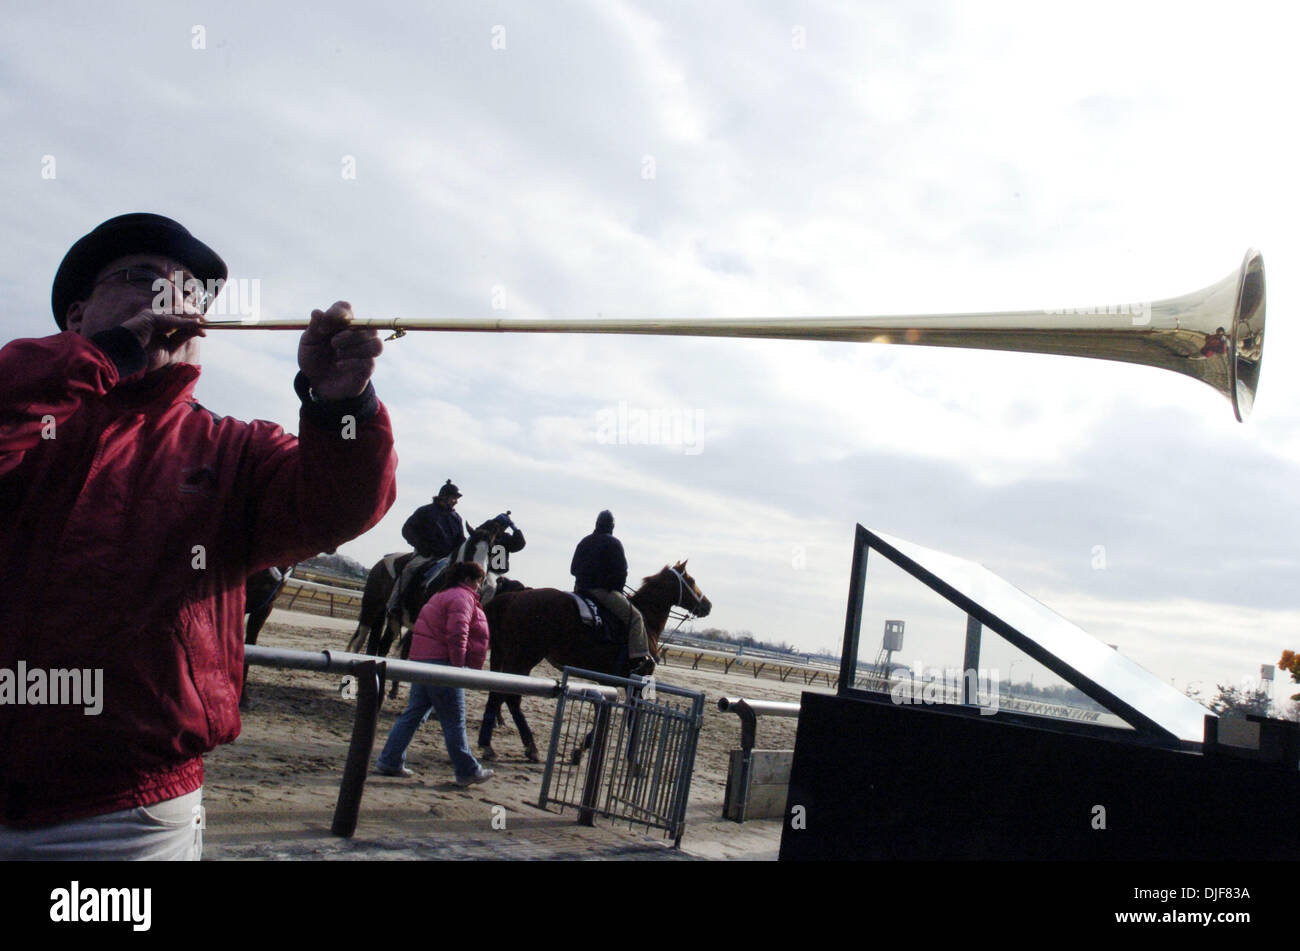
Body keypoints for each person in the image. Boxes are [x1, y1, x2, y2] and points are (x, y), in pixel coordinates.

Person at [0, 213, 398, 859]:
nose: (171, 299)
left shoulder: (238, 447)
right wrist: (108, 356)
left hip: (122, 814)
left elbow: (338, 508)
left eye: (190, 293)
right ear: (76, 315)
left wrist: (341, 405)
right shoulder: (27, 412)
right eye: (140, 279)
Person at [375, 561, 495, 785]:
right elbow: (457, 633)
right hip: (442, 664)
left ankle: (389, 761)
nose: (480, 587)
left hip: (424, 662)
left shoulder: (442, 594)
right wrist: (458, 666)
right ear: (468, 580)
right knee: (453, 720)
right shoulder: (462, 597)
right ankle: (467, 770)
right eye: (478, 581)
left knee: (413, 714)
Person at [570, 510, 653, 675]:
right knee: (636, 617)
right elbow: (622, 573)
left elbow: (573, 570)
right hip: (602, 593)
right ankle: (639, 659)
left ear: (596, 524)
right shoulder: (614, 543)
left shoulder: (584, 541)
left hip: (579, 590)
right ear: (612, 527)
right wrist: (616, 588)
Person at [388, 479, 466, 622]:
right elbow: (407, 530)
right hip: (426, 555)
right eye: (454, 498)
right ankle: (395, 604)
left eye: (456, 498)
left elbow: (460, 540)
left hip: (447, 558)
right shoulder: (425, 511)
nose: (456, 501)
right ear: (444, 497)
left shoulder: (456, 518)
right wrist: (420, 545)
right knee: (409, 570)